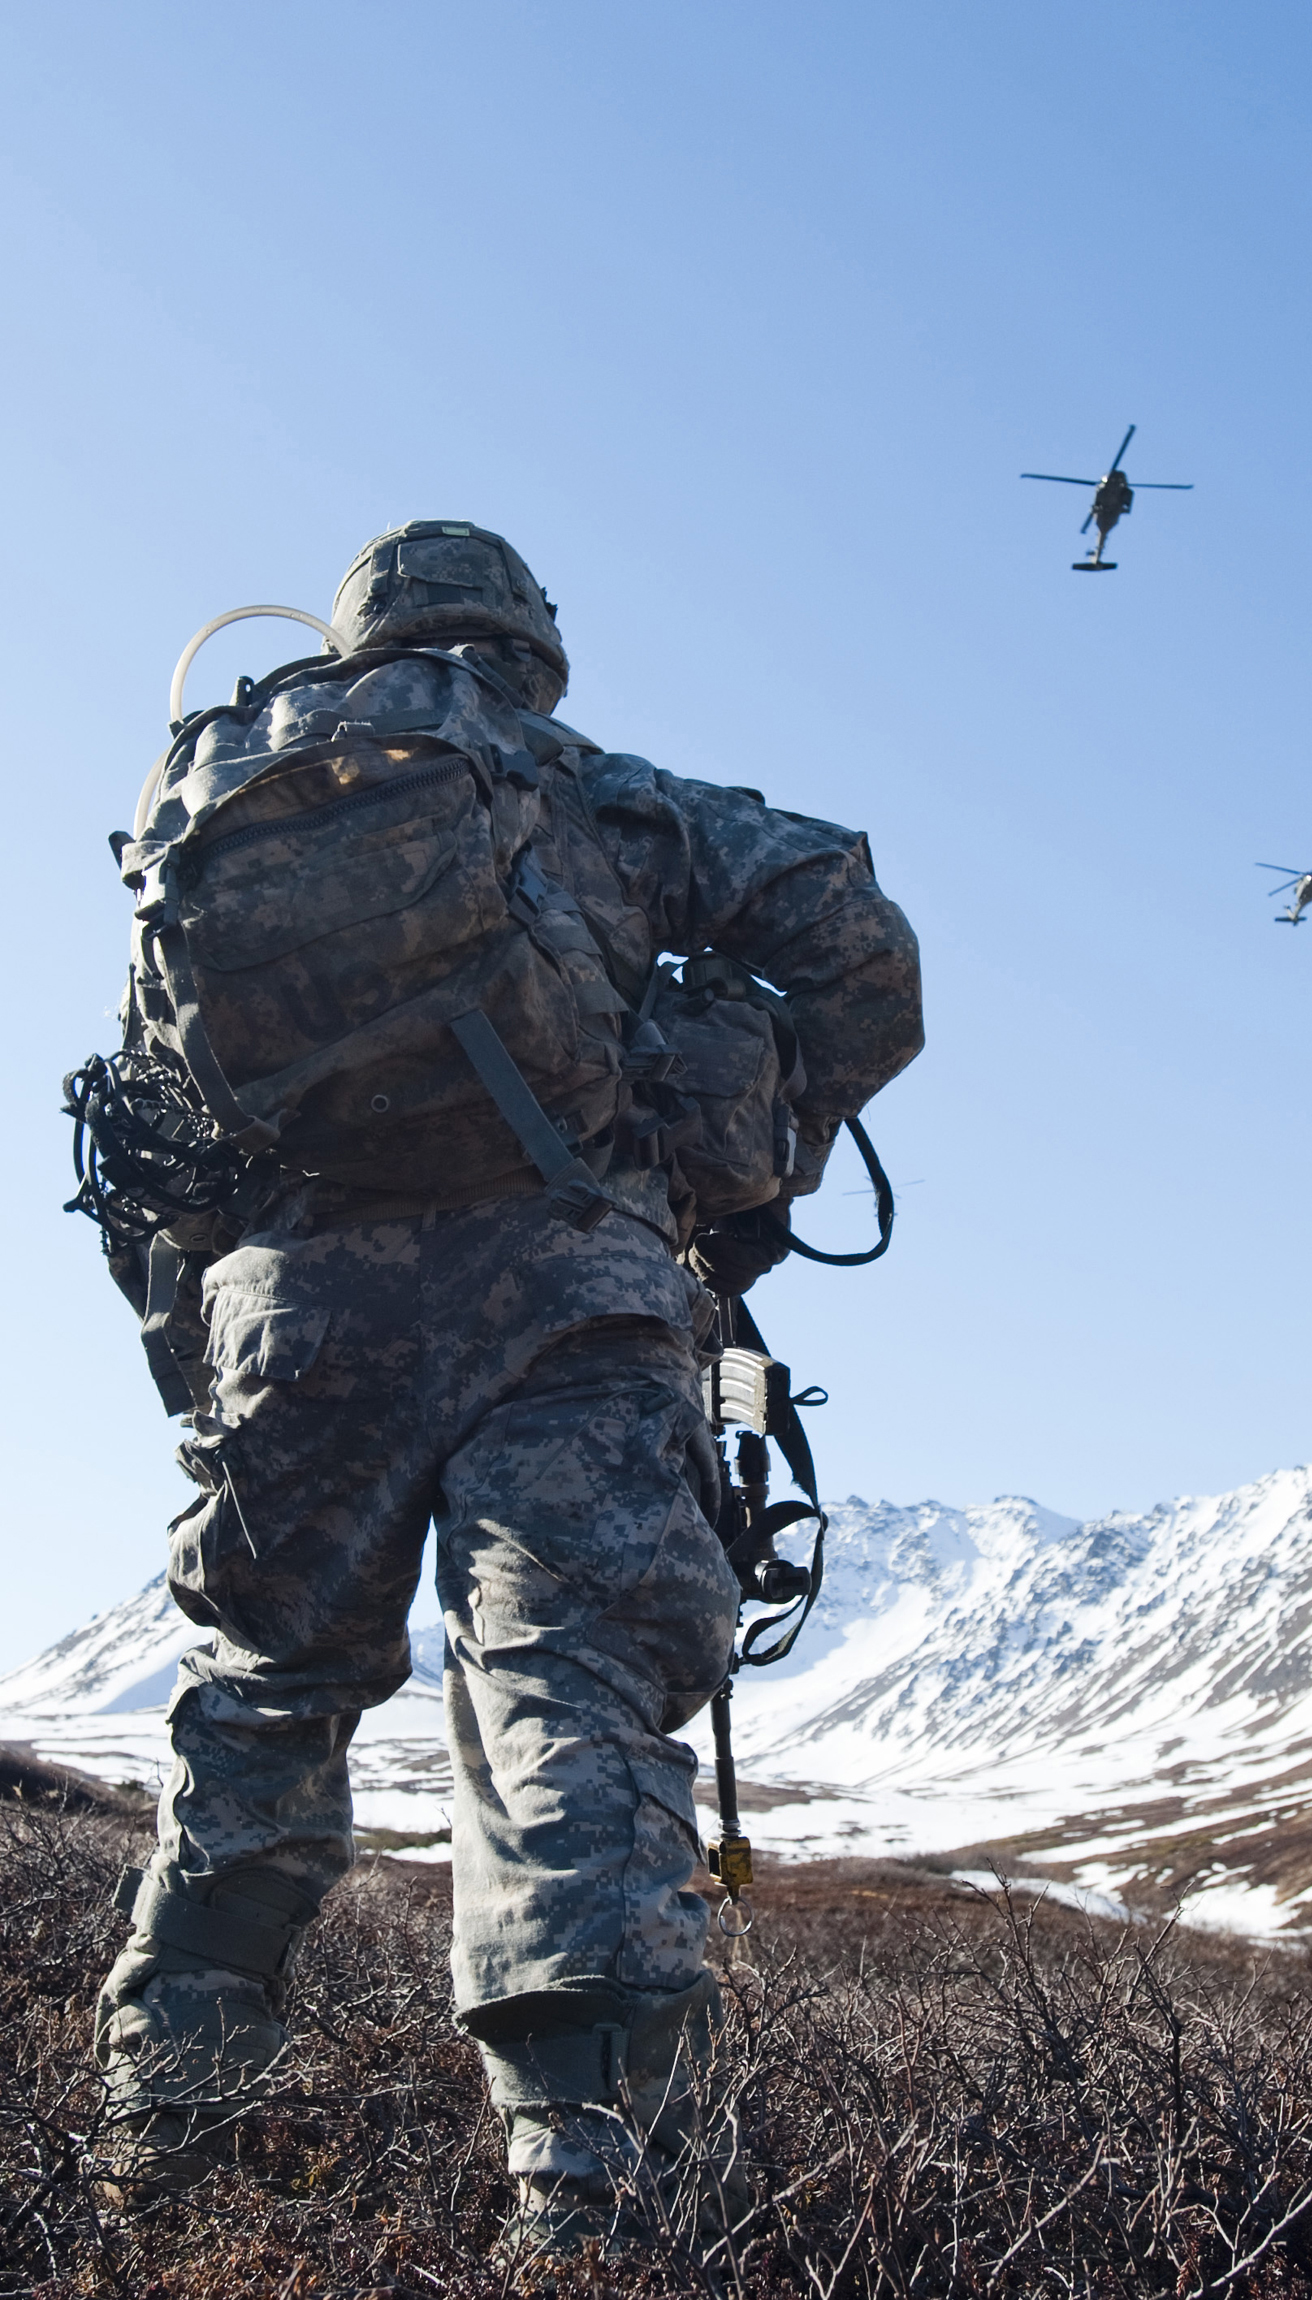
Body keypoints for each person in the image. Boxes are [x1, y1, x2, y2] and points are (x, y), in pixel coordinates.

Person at [91, 520, 923, 2251]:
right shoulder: (599, 795)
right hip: (574, 1303)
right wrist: (739, 1156)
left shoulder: (216, 810)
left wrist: (221, 1349)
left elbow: (150, 1139)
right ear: (527, 647)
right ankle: (593, 2207)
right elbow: (860, 944)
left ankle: (149, 2152)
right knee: (563, 1707)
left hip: (295, 1317)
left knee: (256, 1702)